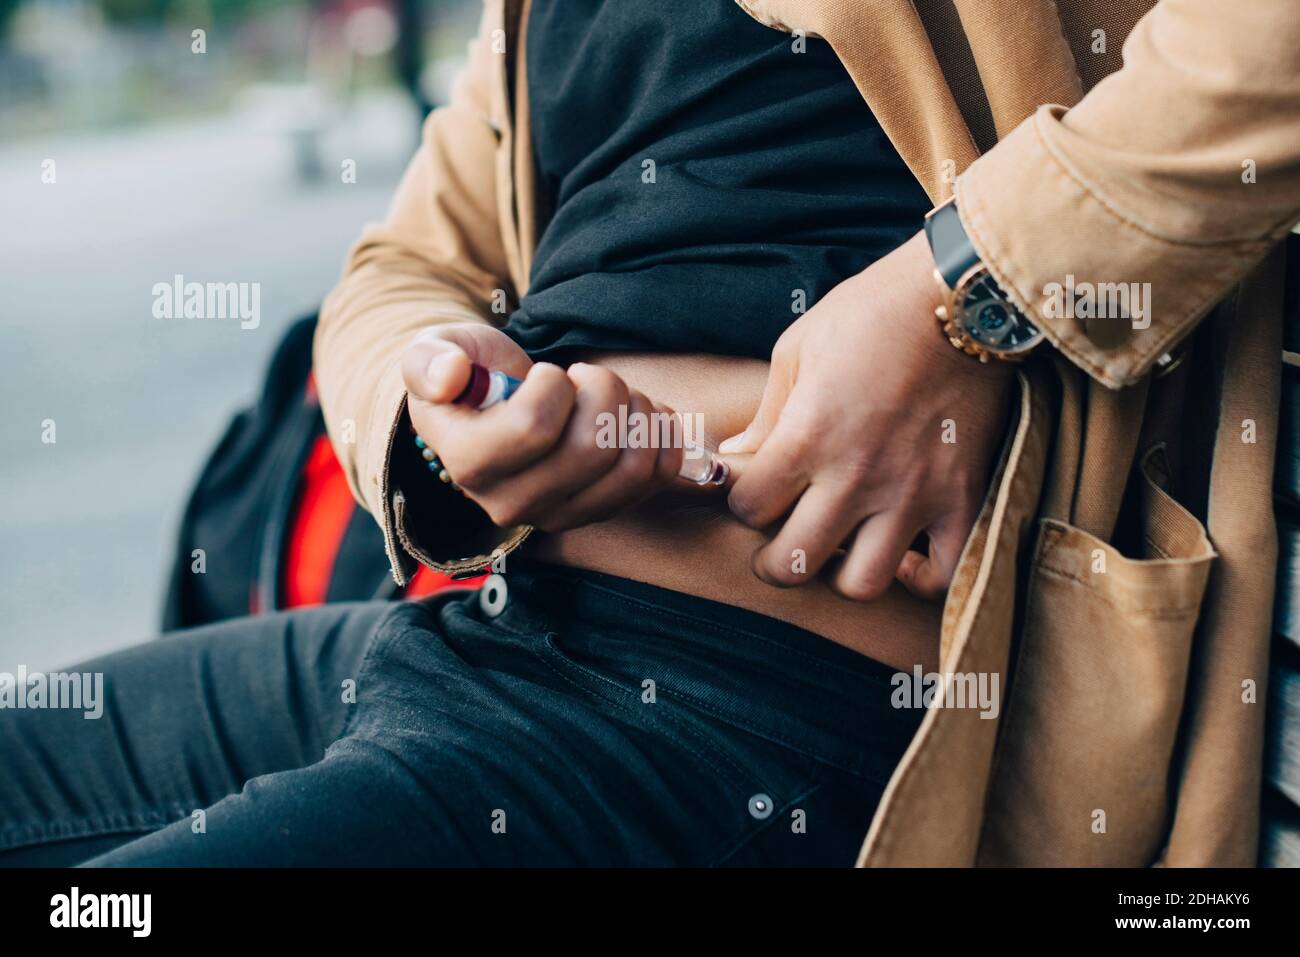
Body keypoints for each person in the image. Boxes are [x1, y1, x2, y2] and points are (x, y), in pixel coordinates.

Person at [3, 0, 1296, 866]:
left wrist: (956, 292)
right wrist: (432, 416)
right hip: (487, 631)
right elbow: (399, 263)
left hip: (758, 711)